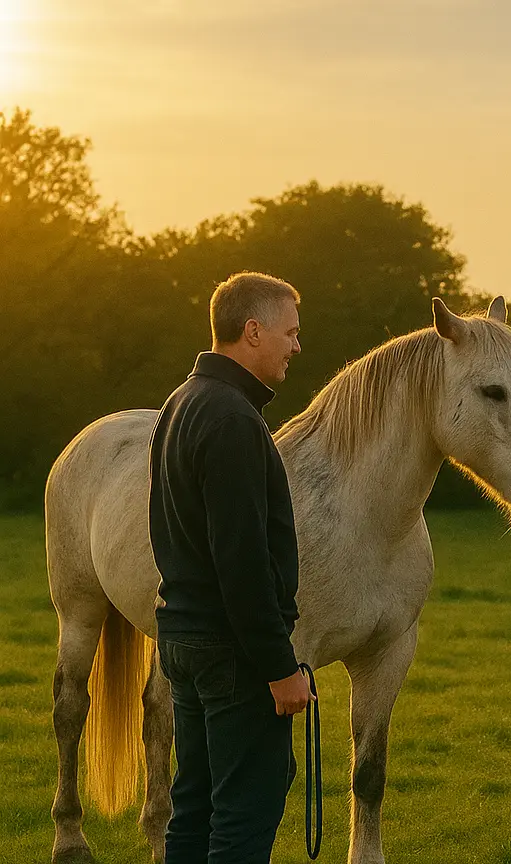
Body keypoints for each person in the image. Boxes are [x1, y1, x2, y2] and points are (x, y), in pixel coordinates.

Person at [149, 272, 311, 863]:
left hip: (184, 640)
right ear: (253, 331)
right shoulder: (232, 420)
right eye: (290, 333)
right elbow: (239, 560)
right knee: (245, 815)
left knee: (194, 811)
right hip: (233, 653)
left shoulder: (180, 404)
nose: (297, 346)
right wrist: (278, 666)